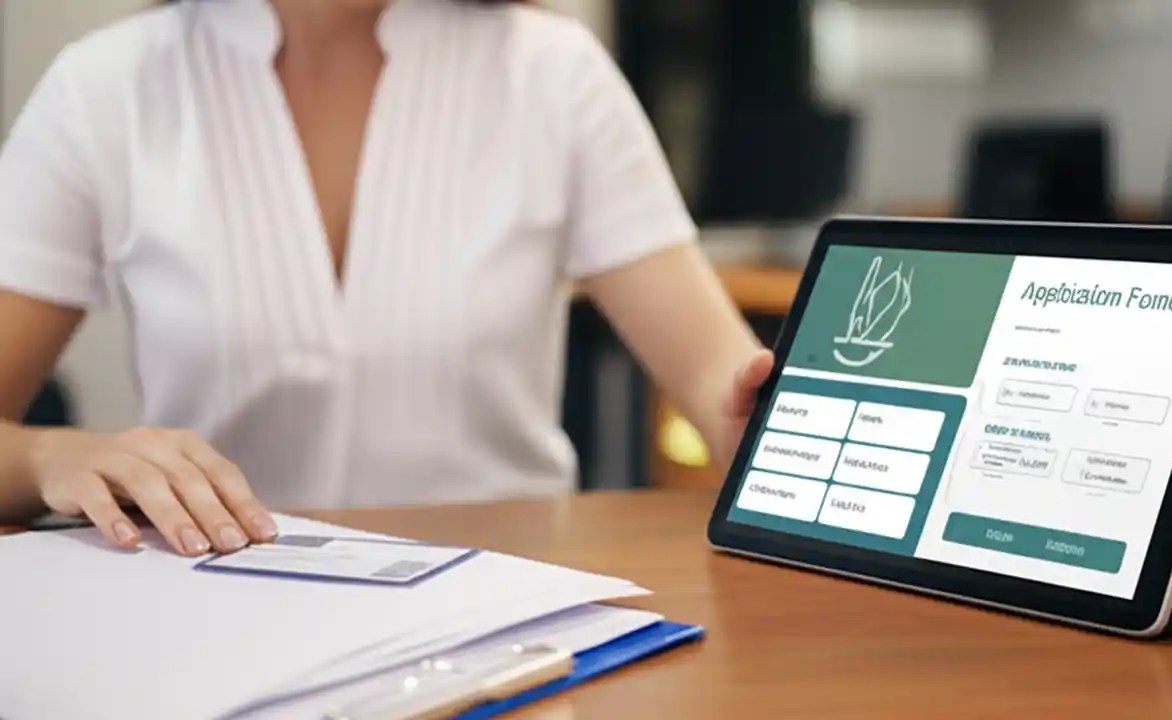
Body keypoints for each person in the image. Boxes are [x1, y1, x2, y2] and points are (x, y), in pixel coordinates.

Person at [0, 0, 771, 556]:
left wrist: (778, 432)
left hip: (513, 615)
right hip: (218, 612)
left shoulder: (554, 73)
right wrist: (48, 458)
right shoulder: (104, 87)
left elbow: (716, 383)